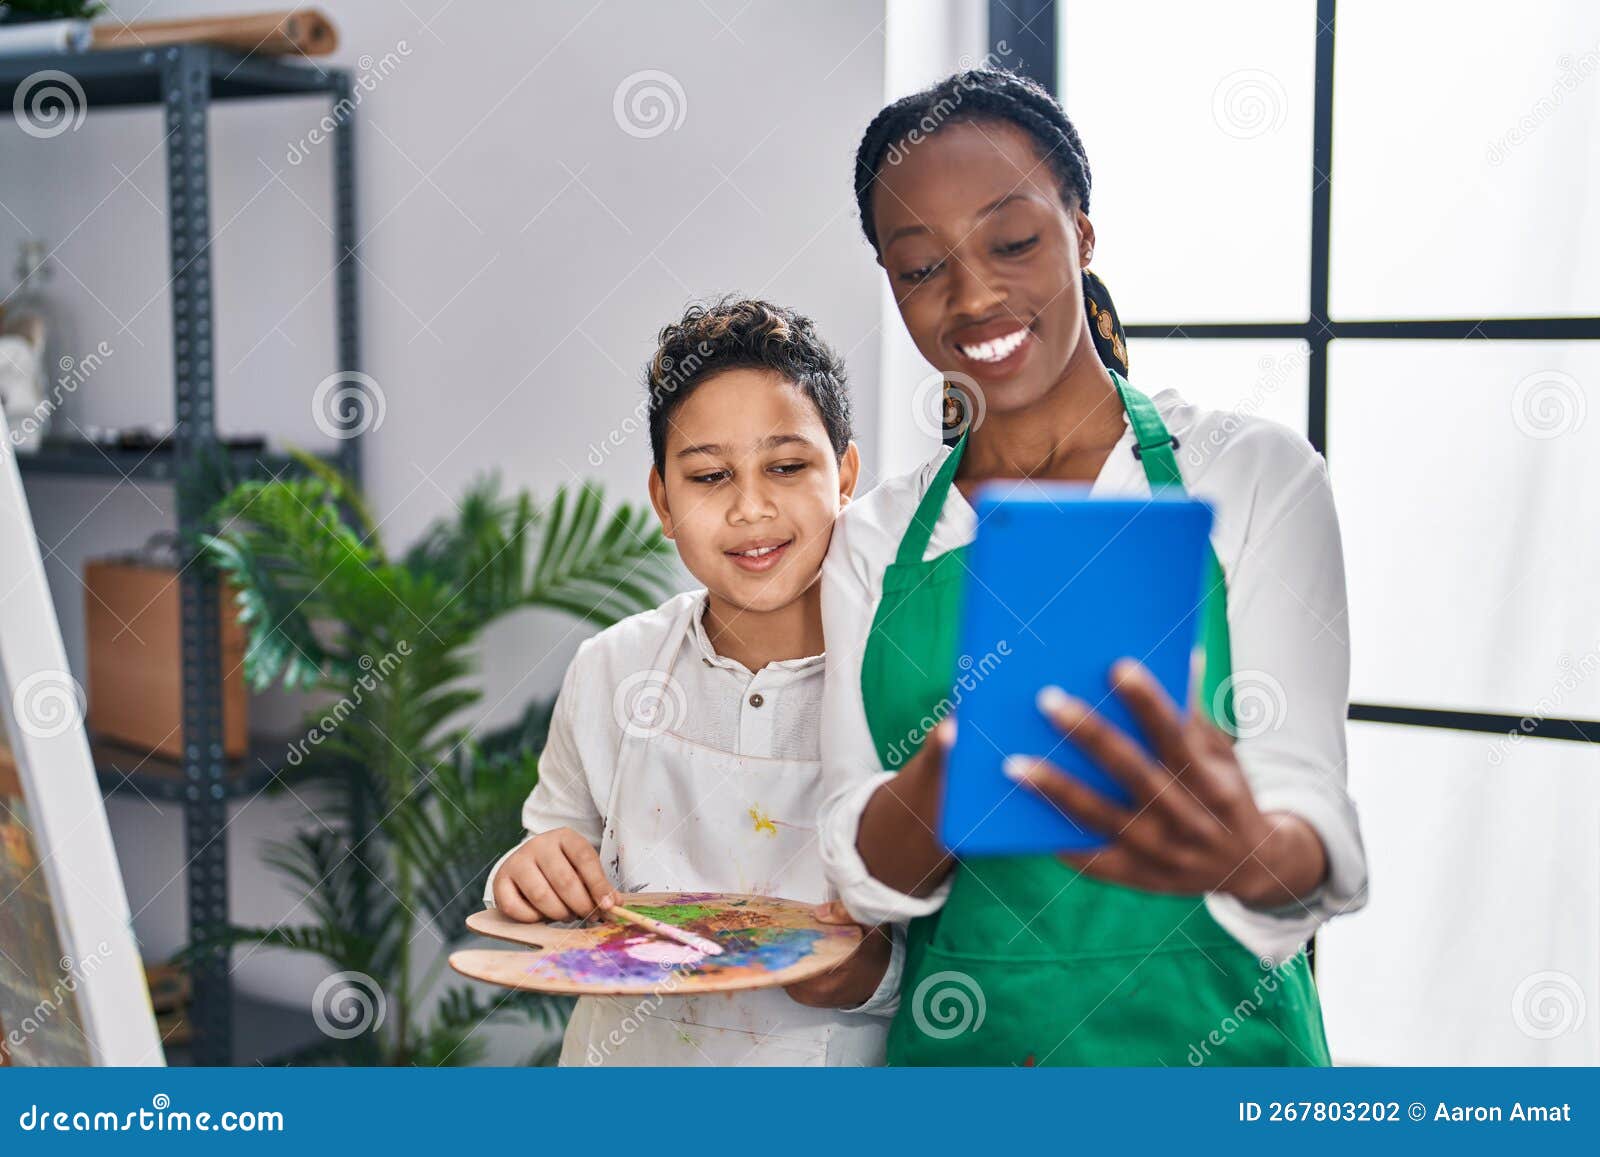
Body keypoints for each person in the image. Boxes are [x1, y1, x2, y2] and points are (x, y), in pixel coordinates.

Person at [815, 69, 1369, 1066]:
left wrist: (1244, 848)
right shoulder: (872, 539)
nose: (973, 293)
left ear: (1080, 231)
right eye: (918, 266)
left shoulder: (1250, 473)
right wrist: (967, 752)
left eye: (1013, 242)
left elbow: (1309, 817)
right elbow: (859, 866)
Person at [484, 297, 898, 1065]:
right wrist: (526, 873)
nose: (750, 507)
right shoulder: (611, 668)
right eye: (709, 474)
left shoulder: (905, 678)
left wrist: (871, 973)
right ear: (663, 501)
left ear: (844, 475)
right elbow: (552, 861)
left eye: (786, 465)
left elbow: (969, 955)